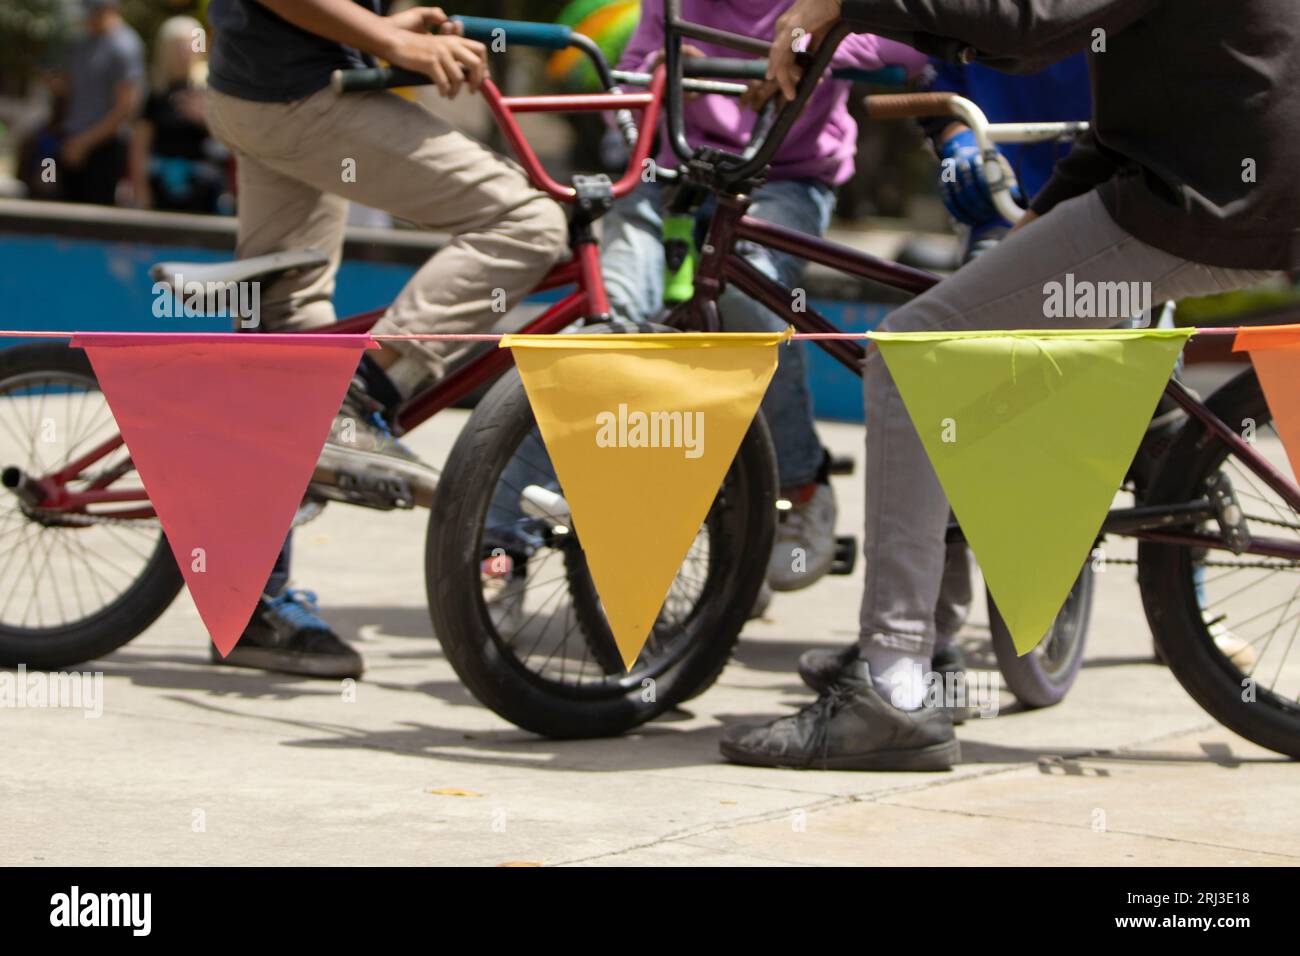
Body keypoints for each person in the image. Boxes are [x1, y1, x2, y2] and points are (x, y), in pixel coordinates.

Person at [718, 0, 1297, 770]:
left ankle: (891, 685)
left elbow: (1028, 28)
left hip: (1206, 203)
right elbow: (1138, 96)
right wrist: (1049, 212)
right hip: (1224, 189)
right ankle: (930, 630)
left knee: (912, 353)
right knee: (979, 349)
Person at [202, 0, 569, 678]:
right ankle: (360, 395)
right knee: (528, 222)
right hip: (296, 94)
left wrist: (381, 29)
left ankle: (253, 607)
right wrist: (395, 47)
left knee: (288, 341)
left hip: (267, 86)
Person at [601, 0, 926, 593]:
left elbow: (910, 44)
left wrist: (811, 51)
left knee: (753, 291)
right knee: (612, 310)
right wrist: (666, 71)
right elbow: (630, 73)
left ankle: (800, 481)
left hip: (786, 175)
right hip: (676, 169)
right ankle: (521, 531)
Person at [131, 16, 230, 213]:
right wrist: (141, 191)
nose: (184, 53)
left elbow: (230, 143)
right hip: (161, 188)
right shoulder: (156, 94)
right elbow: (139, 147)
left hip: (204, 191)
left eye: (188, 46)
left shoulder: (211, 90)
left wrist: (203, 119)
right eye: (177, 47)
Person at [58, 0, 145, 205]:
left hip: (104, 149)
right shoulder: (81, 42)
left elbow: (126, 107)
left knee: (95, 220)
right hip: (72, 140)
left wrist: (84, 143)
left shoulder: (125, 45)